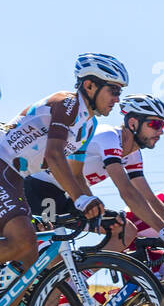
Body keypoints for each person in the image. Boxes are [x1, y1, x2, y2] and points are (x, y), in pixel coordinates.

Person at [0, 54, 125, 276]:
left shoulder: (88, 124)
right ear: (89, 85)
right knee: (23, 242)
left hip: (15, 177)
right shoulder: (68, 102)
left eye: (119, 92)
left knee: (31, 262)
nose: (117, 99)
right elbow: (54, 154)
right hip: (3, 167)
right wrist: (81, 200)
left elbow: (75, 175)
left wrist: (94, 207)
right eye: (113, 91)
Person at [27, 94, 164, 252]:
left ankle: (80, 274)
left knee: (125, 230)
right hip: (40, 189)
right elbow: (127, 192)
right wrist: (163, 231)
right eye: (155, 124)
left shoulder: (133, 154)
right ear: (133, 123)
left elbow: (148, 197)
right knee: (52, 254)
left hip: (68, 196)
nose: (160, 132)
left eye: (162, 126)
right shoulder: (108, 136)